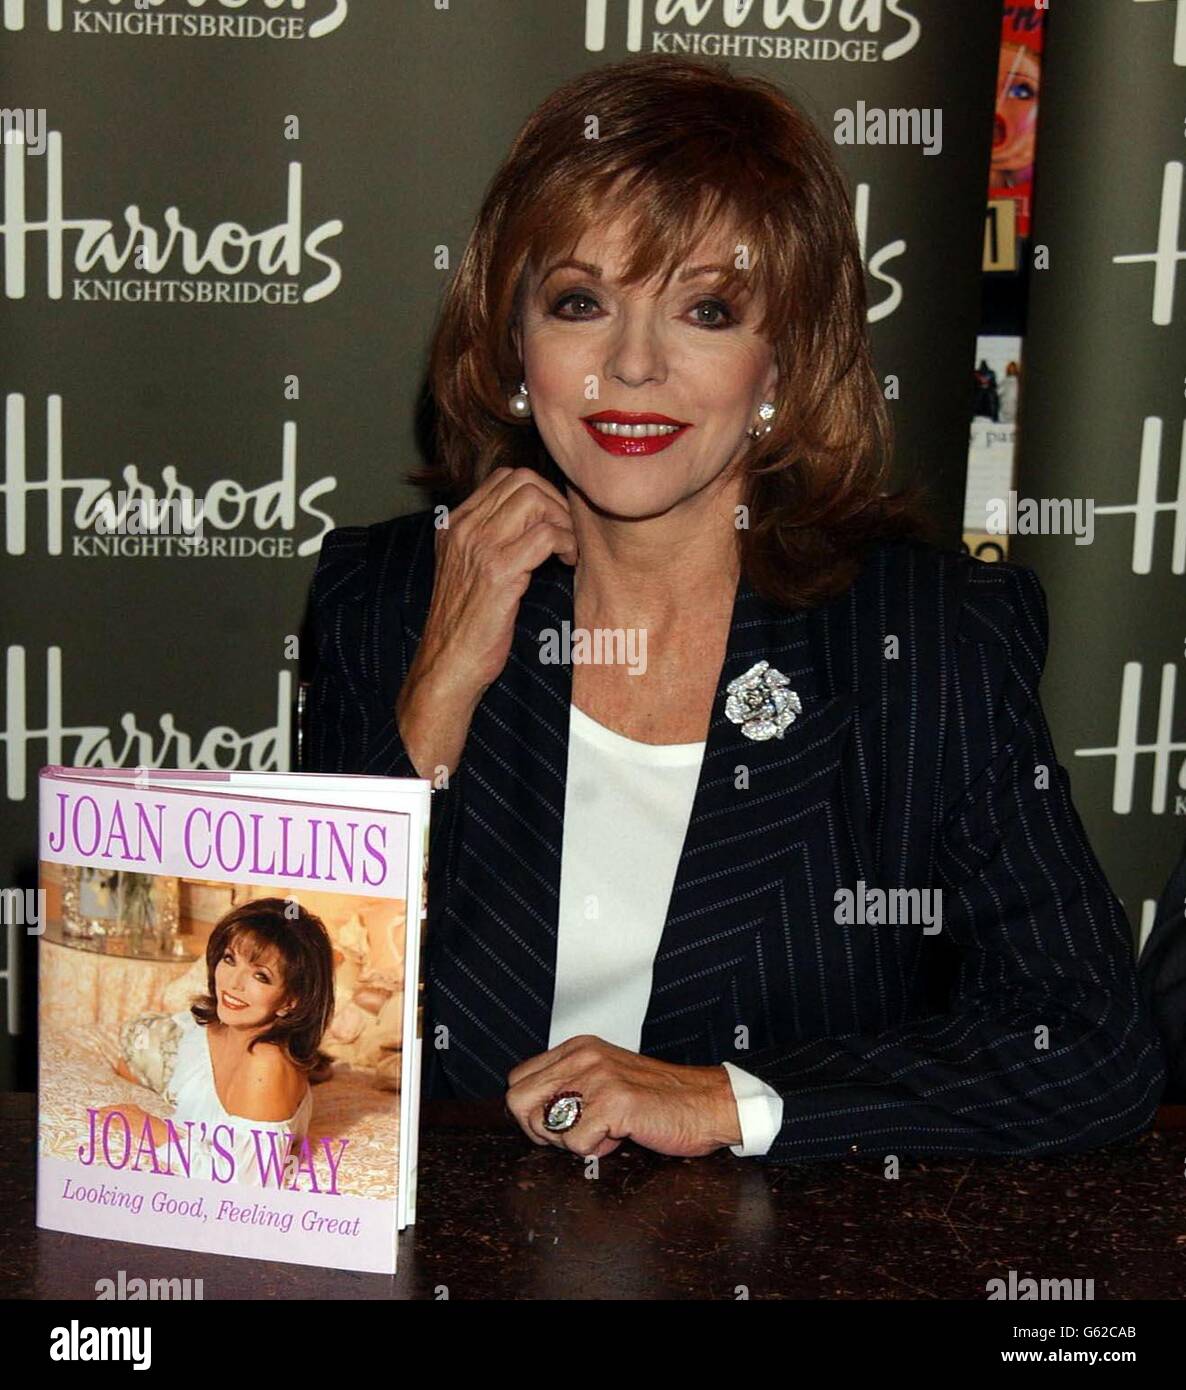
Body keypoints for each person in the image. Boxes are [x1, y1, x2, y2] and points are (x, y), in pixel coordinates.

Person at [305, 54, 1165, 1163]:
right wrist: (432, 704)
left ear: (781, 364)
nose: (632, 365)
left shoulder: (920, 638)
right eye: (580, 302)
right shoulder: (384, 597)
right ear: (514, 344)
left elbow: (1088, 1048)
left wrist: (728, 1100)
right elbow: (298, 1032)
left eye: (706, 310)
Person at [98, 898, 335, 1186]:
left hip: (182, 1049)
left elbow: (242, 1185)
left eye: (261, 975)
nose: (233, 983)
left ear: (291, 1000)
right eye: (229, 959)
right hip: (167, 1038)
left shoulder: (266, 1064)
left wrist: (152, 1128)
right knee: (137, 1047)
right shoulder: (215, 1026)